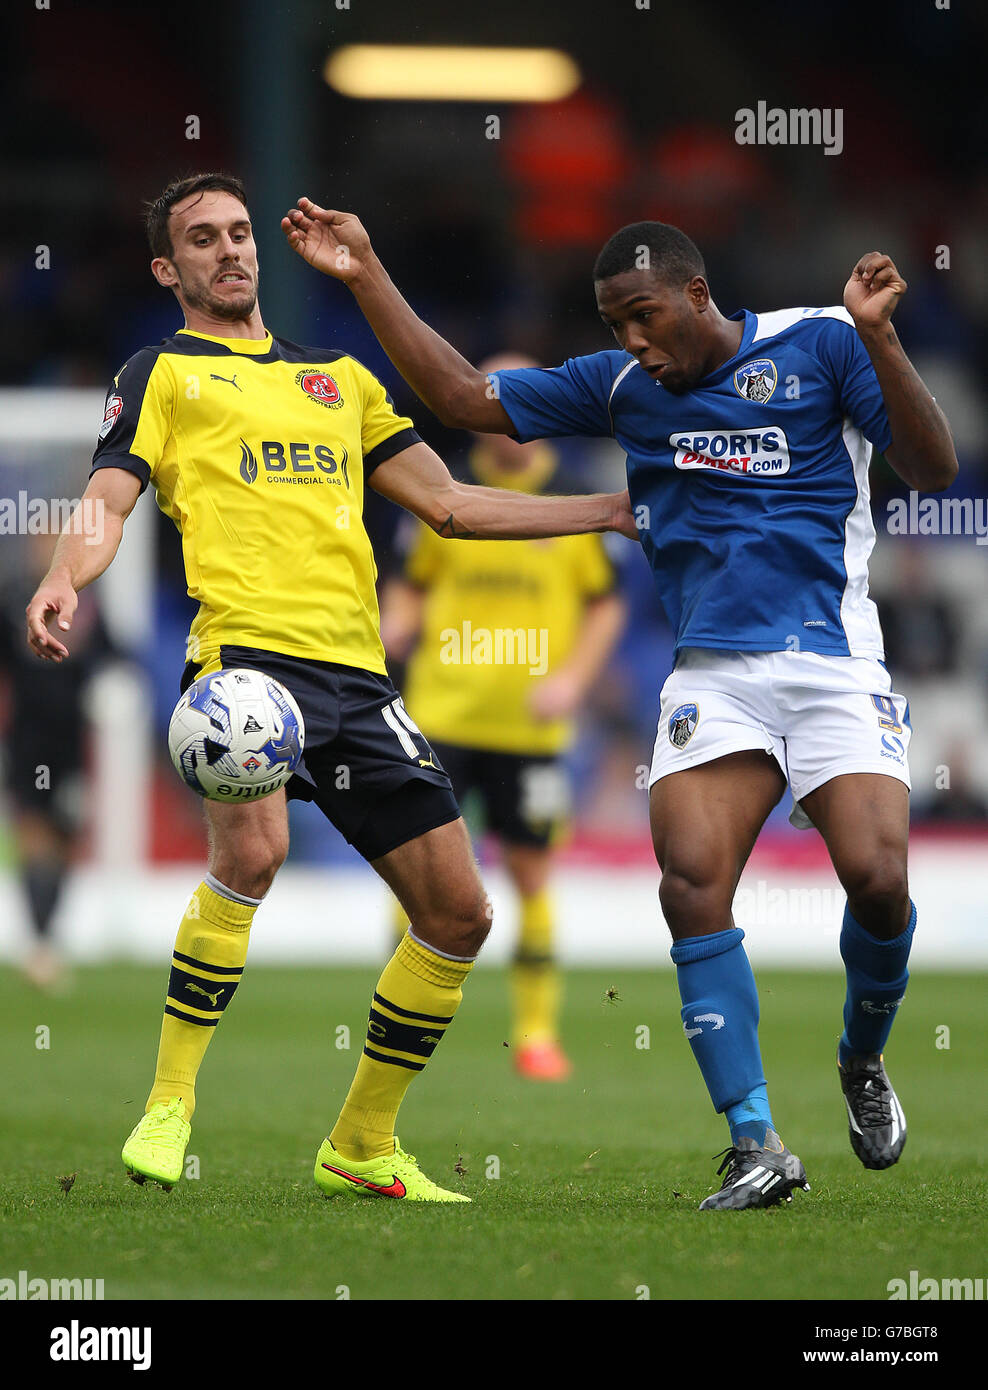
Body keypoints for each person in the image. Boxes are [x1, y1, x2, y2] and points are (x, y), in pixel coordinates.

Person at [282, 199, 958, 1209]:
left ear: (697, 293)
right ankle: (755, 1141)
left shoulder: (823, 341)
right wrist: (364, 271)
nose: (633, 342)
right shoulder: (620, 387)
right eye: (613, 326)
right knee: (690, 883)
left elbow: (931, 467)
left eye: (644, 315)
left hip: (831, 661)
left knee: (876, 877)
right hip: (712, 676)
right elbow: (464, 398)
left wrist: (882, 339)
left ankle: (860, 1058)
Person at [25, 172, 634, 1203]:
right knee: (252, 856)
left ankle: (360, 1140)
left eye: (239, 232)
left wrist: (608, 509)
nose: (230, 250)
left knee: (458, 913)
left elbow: (448, 501)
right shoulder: (162, 370)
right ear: (170, 270)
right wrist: (59, 574)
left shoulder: (340, 377)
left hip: (357, 677)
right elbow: (108, 498)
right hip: (246, 668)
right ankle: (169, 1105)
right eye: (203, 240)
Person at [380, 360, 625, 1079]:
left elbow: (606, 603)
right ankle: (406, 1021)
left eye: (516, 400)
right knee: (417, 874)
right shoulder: (442, 487)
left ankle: (538, 1035)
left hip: (529, 728)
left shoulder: (572, 496)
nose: (504, 413)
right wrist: (397, 621)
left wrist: (574, 681)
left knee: (530, 873)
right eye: (490, 398)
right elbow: (413, 585)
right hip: (441, 713)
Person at [1, 534, 113, 990]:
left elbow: (113, 654)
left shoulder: (87, 607)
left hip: (72, 741)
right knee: (34, 829)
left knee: (66, 837)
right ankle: (39, 943)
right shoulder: (13, 601)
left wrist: (117, 684)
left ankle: (48, 938)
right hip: (27, 738)